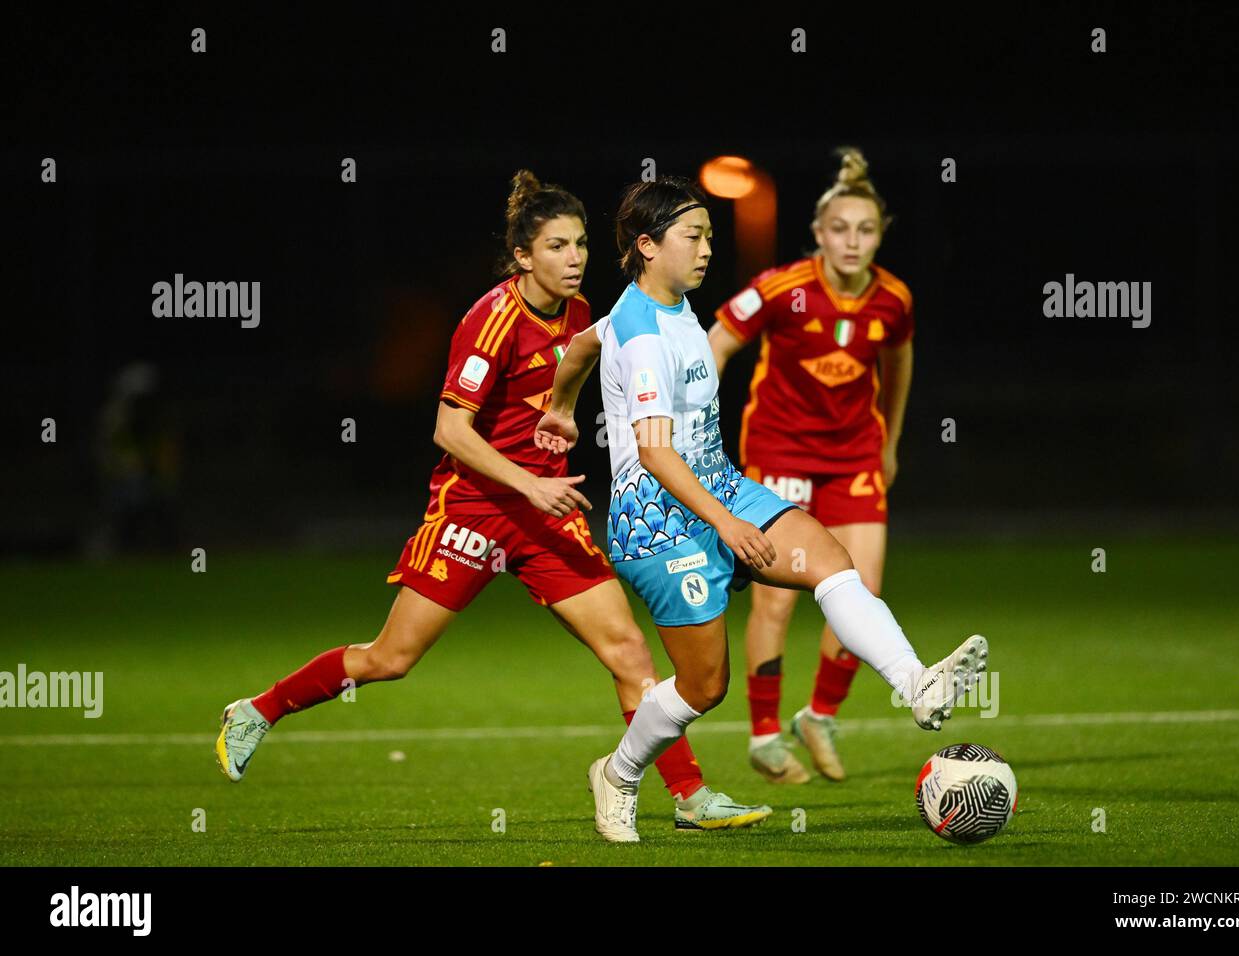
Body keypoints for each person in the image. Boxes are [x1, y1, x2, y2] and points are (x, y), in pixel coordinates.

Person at [215, 170, 771, 835]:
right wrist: (529, 480)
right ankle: (258, 710)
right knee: (391, 659)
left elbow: (586, 355)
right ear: (523, 256)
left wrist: (564, 415)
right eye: (559, 247)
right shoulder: (491, 319)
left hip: (544, 517)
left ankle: (689, 796)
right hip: (474, 509)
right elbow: (449, 431)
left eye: (582, 245)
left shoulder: (576, 311)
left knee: (630, 654)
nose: (575, 259)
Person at [536, 176, 985, 842]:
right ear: (648, 244)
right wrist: (725, 523)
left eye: (710, 235)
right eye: (694, 236)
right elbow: (656, 455)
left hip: (718, 485)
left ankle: (914, 682)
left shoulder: (659, 303)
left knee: (830, 559)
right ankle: (620, 773)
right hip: (658, 521)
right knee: (703, 685)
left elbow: (581, 344)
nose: (707, 249)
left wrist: (562, 407)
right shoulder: (643, 334)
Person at [709, 148, 914, 783]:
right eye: (840, 229)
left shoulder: (893, 299)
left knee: (865, 592)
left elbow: (898, 364)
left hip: (853, 456)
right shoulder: (782, 289)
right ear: (819, 234)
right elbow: (715, 347)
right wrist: (698, 439)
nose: (853, 241)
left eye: (866, 230)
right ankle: (765, 735)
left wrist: (891, 442)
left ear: (879, 235)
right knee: (775, 604)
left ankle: (819, 714)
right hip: (779, 454)